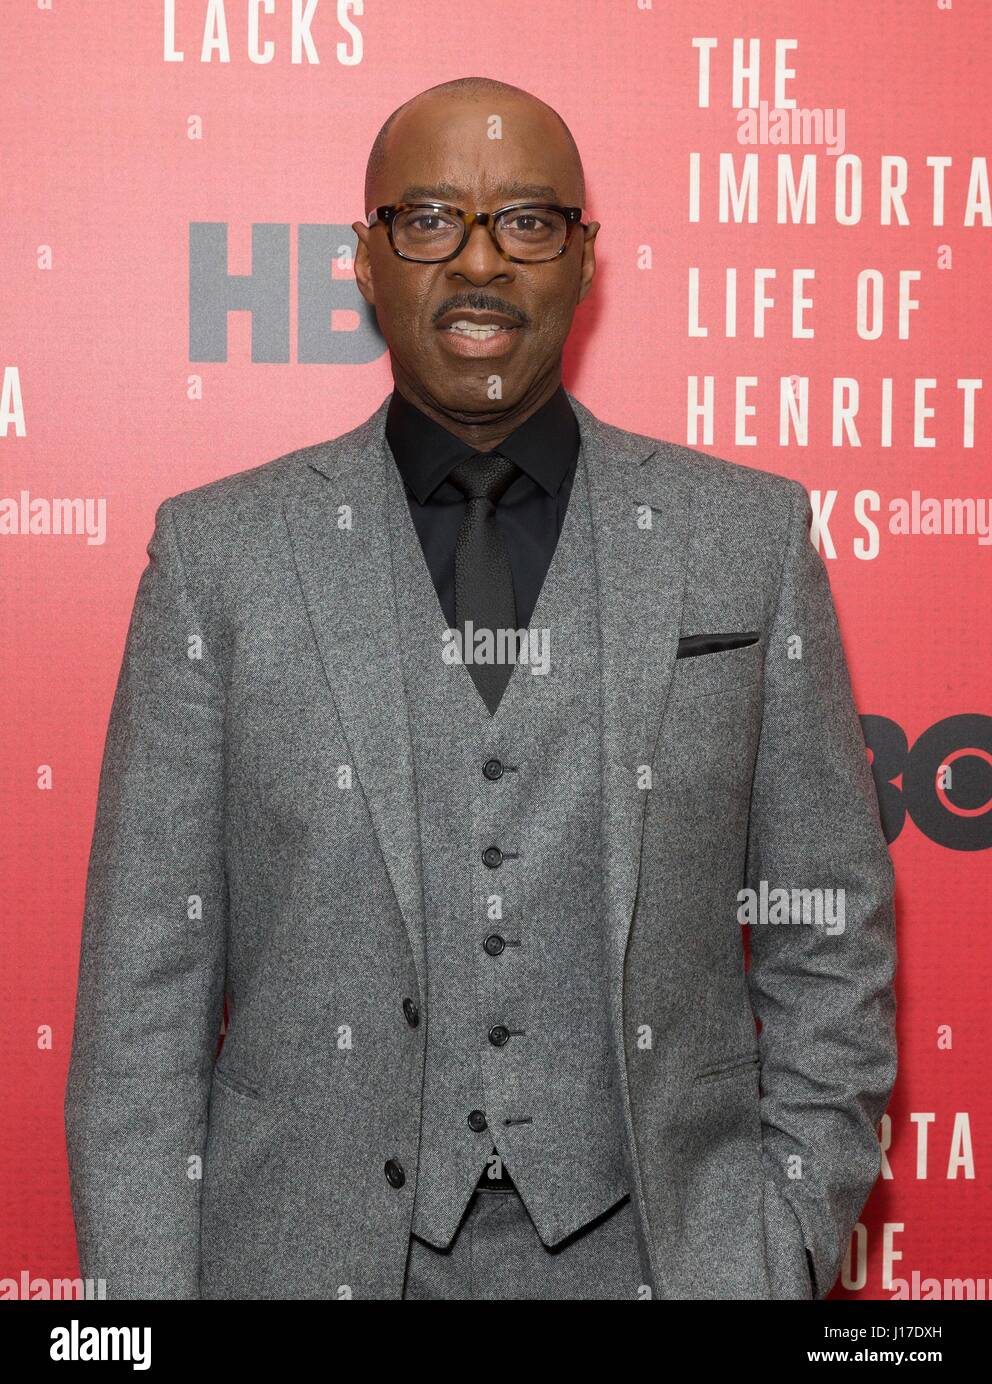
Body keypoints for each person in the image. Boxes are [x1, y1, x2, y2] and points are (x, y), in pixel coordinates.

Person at [64, 76, 897, 1300]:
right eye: (427, 219)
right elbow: (143, 999)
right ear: (364, 258)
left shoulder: (743, 539)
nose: (478, 261)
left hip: (669, 1261)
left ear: (584, 257)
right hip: (301, 1262)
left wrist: (774, 1249)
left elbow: (826, 932)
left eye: (525, 221)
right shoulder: (217, 556)